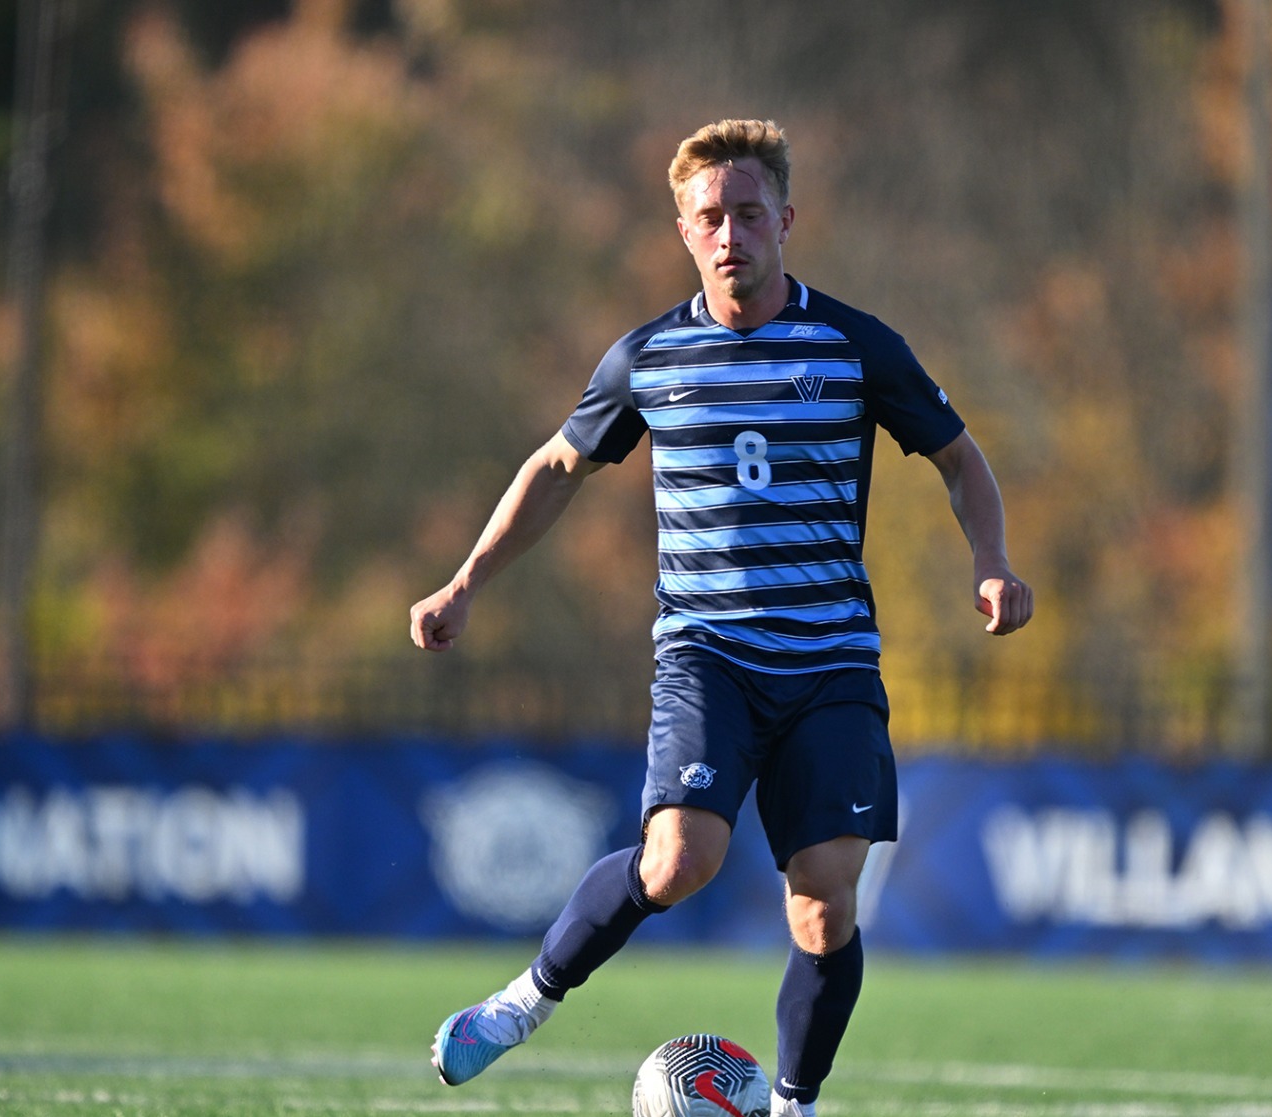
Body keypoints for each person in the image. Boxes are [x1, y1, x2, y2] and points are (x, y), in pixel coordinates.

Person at [410, 118, 1032, 1116]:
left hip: (829, 662)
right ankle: (522, 1003)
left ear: (785, 220)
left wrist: (991, 562)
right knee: (677, 860)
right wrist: (465, 582)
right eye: (710, 216)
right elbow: (557, 467)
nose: (730, 232)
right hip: (707, 655)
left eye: (748, 212)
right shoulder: (649, 357)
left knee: (823, 904)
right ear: (684, 231)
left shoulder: (853, 346)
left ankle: (793, 1105)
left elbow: (959, 457)